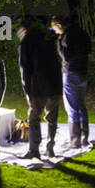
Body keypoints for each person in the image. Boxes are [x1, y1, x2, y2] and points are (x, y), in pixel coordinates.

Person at [18, 18, 63, 158]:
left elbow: (25, 69)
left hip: (38, 86)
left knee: (34, 117)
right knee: (52, 118)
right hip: (55, 84)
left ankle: (34, 150)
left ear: (23, 31)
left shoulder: (25, 43)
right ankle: (50, 148)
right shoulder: (48, 41)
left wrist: (27, 91)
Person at [51, 13, 92, 148]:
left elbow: (66, 57)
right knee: (81, 104)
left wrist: (59, 43)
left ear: (59, 25)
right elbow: (88, 50)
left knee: (72, 107)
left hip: (70, 73)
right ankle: (85, 138)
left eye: (55, 29)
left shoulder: (66, 36)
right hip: (83, 72)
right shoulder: (82, 32)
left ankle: (75, 141)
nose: (55, 32)